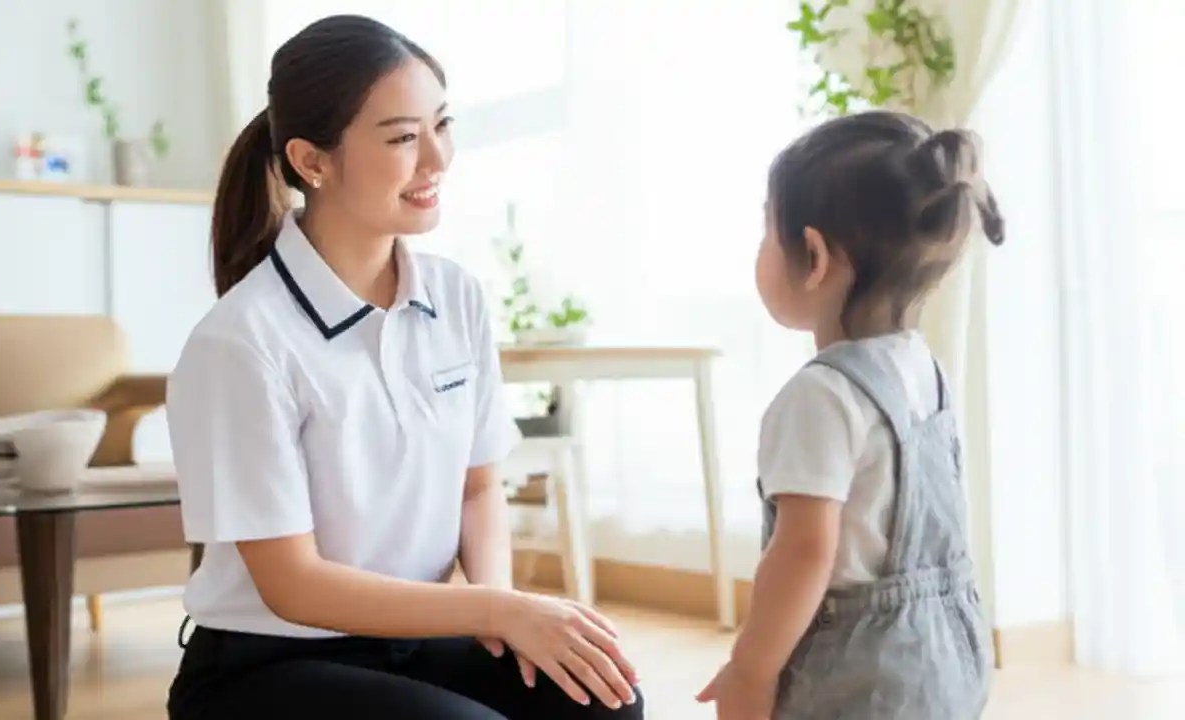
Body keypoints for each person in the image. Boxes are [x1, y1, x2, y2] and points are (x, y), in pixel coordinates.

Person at [163, 15, 644, 720]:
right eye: (402, 138)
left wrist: (499, 617)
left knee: (605, 702)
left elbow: (479, 489)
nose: (437, 160)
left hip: (414, 635)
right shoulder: (241, 341)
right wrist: (498, 609)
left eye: (441, 125)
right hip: (268, 662)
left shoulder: (454, 296)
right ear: (312, 161)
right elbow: (292, 585)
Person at [695, 111, 1004, 719]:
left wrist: (750, 672)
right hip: (947, 653)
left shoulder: (820, 397)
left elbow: (805, 551)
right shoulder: (925, 368)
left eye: (766, 231)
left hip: (859, 676)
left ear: (812, 256)